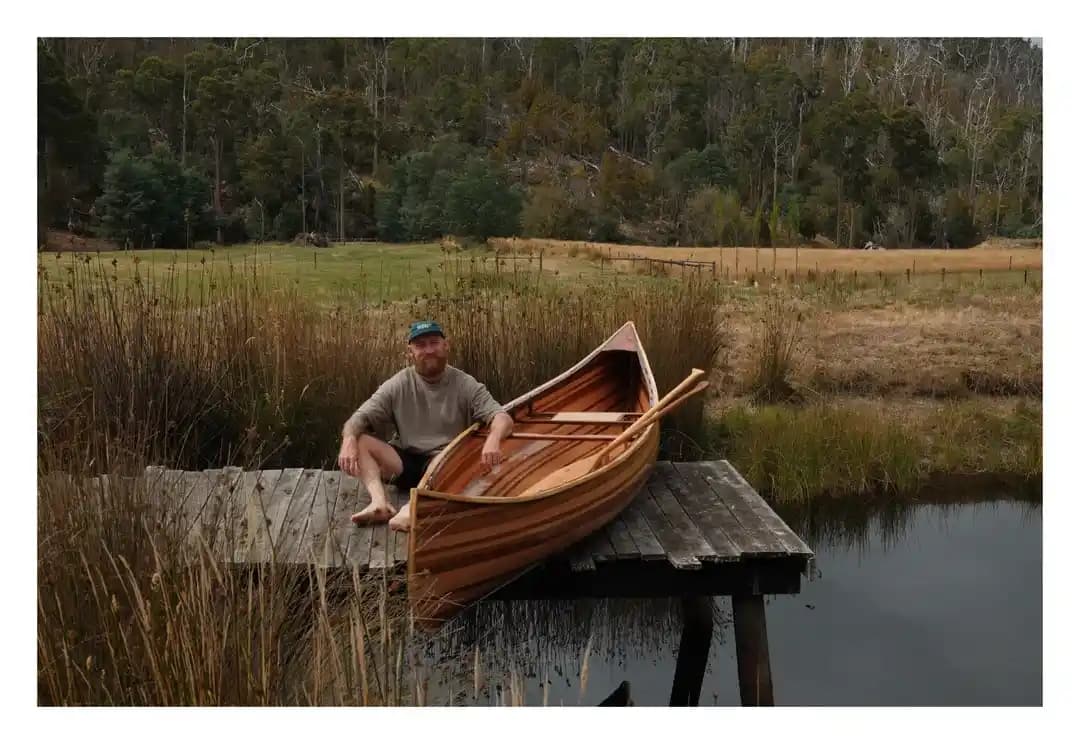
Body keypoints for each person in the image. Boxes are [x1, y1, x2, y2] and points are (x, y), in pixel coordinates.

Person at [338, 320, 514, 532]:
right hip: (407, 461)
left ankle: (413, 508)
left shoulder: (465, 384)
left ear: (446, 346)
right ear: (410, 352)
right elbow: (360, 417)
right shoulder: (398, 384)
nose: (429, 350)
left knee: (445, 460)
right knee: (360, 440)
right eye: (421, 345)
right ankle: (379, 503)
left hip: (447, 463)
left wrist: (493, 440)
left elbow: (502, 418)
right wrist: (349, 439)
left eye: (434, 343)